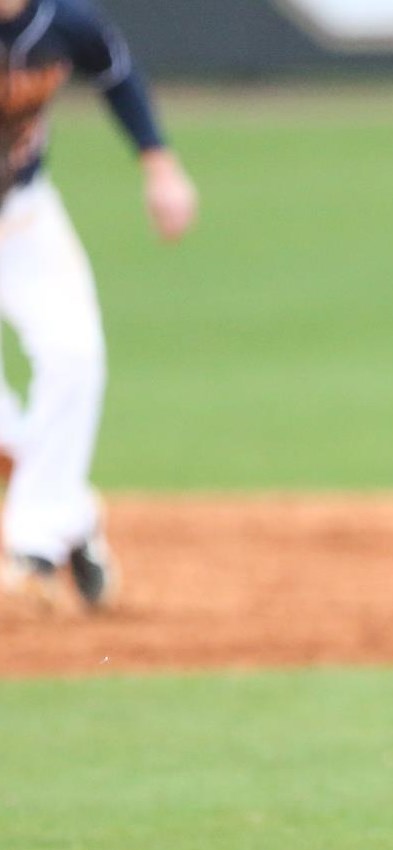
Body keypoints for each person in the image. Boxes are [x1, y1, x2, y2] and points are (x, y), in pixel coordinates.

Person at [0, 0, 197, 611]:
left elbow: (116, 72)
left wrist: (160, 165)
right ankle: (75, 520)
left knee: (74, 356)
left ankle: (34, 549)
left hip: (23, 219)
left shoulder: (64, 22)